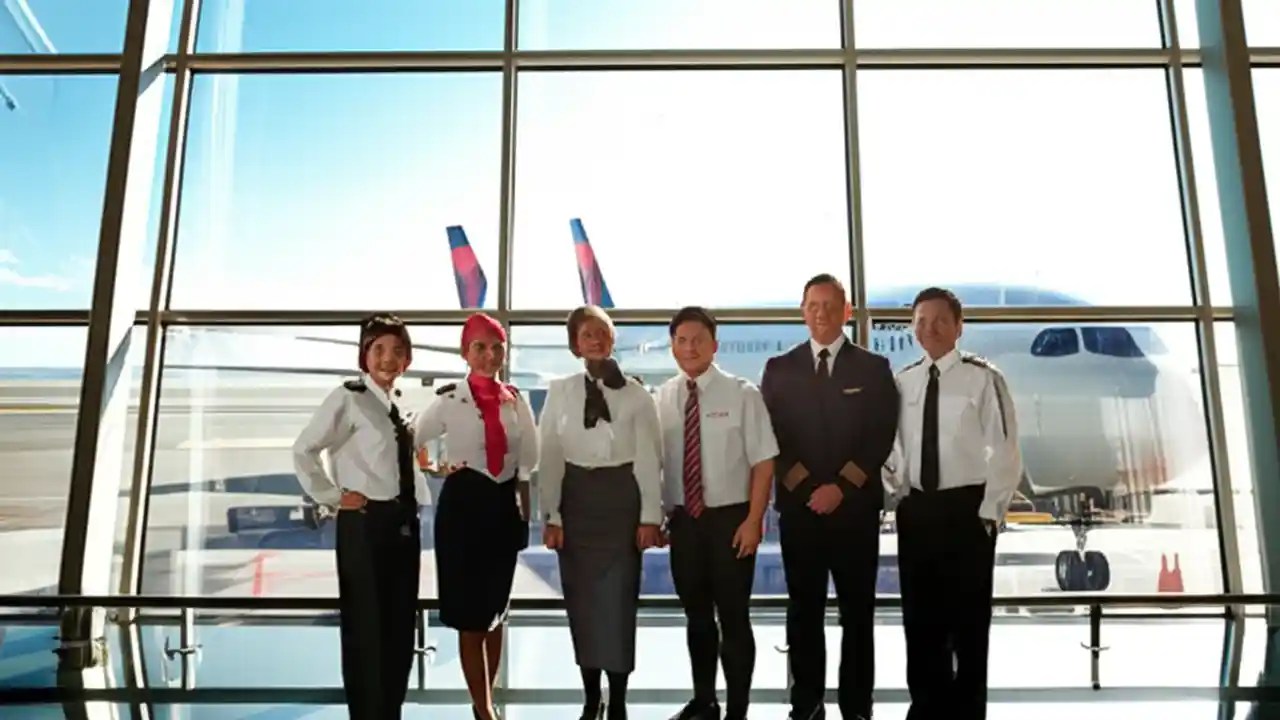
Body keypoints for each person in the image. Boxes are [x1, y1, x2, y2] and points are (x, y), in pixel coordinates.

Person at [759, 274, 900, 720]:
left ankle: (857, 707)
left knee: (858, 614)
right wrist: (808, 489)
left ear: (848, 311)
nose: (820, 313)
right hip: (800, 511)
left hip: (854, 510)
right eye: (812, 305)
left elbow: (881, 436)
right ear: (802, 311)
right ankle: (806, 704)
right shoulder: (779, 369)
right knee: (804, 613)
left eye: (829, 305)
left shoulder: (873, 368)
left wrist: (839, 488)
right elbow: (772, 439)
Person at [884, 287, 1022, 720]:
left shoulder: (983, 378)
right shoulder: (903, 380)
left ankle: (966, 708)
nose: (930, 328)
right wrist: (894, 495)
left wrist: (990, 513)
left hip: (967, 511)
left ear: (959, 326)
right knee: (920, 619)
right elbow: (893, 449)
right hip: (917, 509)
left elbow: (1005, 448)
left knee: (967, 621)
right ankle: (926, 704)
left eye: (940, 320)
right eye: (921, 321)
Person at [291, 313, 428, 720]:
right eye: (379, 349)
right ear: (364, 355)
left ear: (408, 359)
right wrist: (331, 496)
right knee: (367, 626)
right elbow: (303, 450)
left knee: (400, 624)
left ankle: (390, 710)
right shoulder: (347, 397)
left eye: (397, 351)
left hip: (403, 522)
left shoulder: (400, 402)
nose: (388, 358)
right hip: (366, 522)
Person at [537, 304, 665, 720]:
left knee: (619, 601)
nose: (595, 339)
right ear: (575, 344)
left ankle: (619, 698)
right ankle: (591, 696)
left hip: (621, 500)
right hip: (576, 501)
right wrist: (551, 516)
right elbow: (549, 456)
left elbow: (650, 458)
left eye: (602, 332)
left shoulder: (637, 394)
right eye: (587, 334)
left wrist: (650, 516)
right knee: (583, 602)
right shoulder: (560, 391)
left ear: (613, 339)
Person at [413, 312, 538, 720]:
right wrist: (430, 467)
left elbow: (530, 457)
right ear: (465, 352)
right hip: (465, 506)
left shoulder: (515, 400)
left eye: (496, 347)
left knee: (496, 610)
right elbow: (413, 437)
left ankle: (489, 698)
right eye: (480, 347)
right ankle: (482, 709)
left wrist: (525, 513)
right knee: (471, 614)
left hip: (504, 505)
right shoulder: (449, 399)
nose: (489, 355)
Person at [655, 306, 778, 720]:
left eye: (698, 340)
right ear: (673, 345)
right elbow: (655, 462)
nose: (690, 348)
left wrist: (754, 521)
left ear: (714, 345)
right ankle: (704, 700)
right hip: (684, 523)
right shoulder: (665, 396)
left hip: (732, 520)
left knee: (734, 617)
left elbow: (764, 462)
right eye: (682, 340)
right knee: (696, 617)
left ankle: (738, 711)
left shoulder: (742, 393)